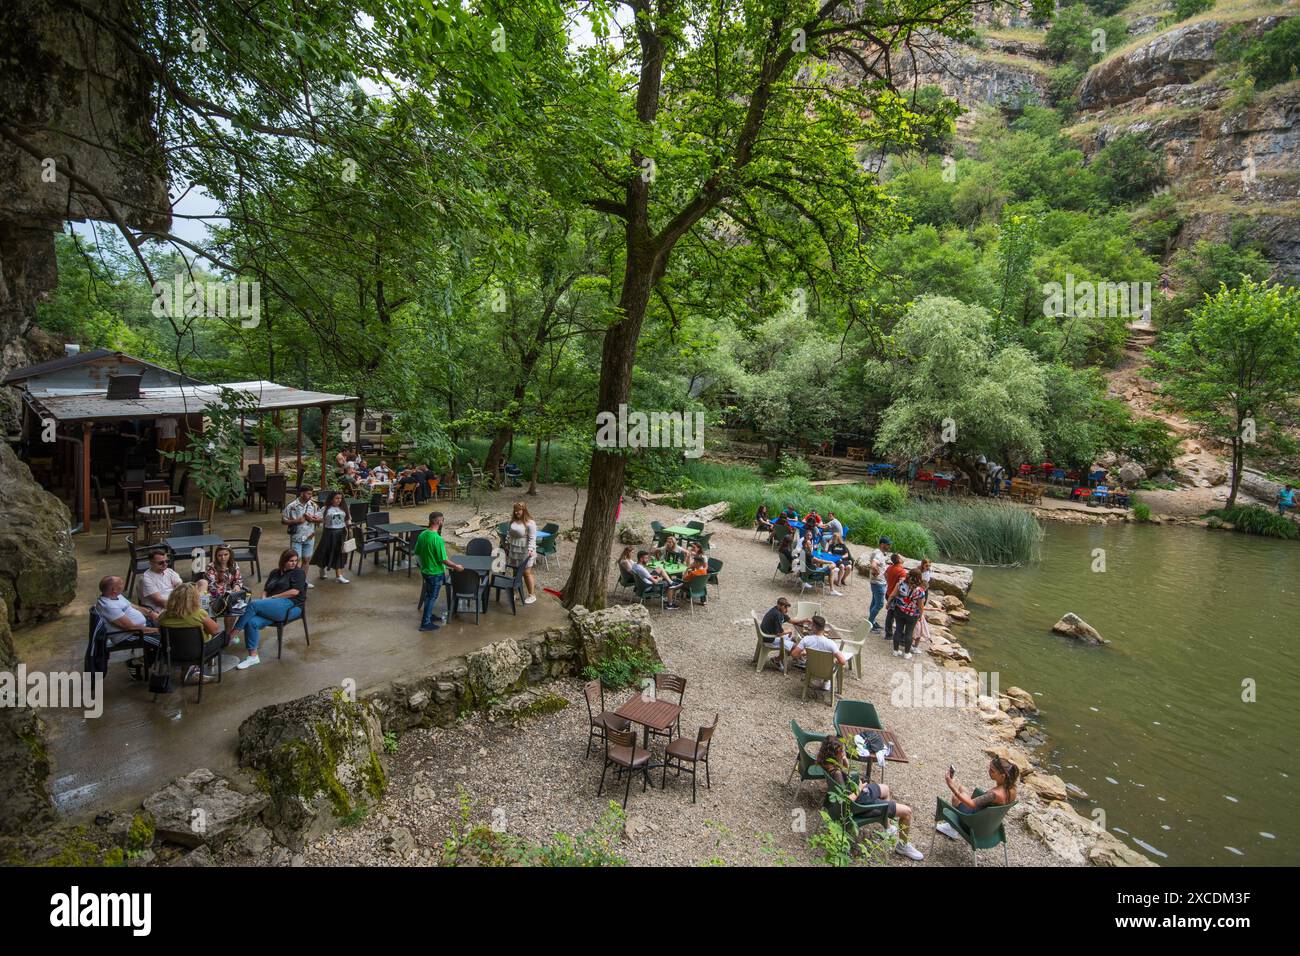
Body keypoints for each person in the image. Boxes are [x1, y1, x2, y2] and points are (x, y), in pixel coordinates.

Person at [817, 735, 923, 861]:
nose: (845, 752)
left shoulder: (828, 764)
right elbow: (845, 801)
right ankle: (902, 846)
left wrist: (844, 759)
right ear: (836, 753)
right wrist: (860, 789)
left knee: (886, 789)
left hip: (859, 795)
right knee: (907, 812)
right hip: (860, 805)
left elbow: (846, 777)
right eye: (843, 751)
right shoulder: (837, 774)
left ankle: (888, 828)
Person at [232, 549, 307, 669]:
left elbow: (295, 592)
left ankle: (233, 634)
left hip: (291, 606)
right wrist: (264, 599)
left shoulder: (298, 573)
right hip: (274, 606)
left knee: (253, 605)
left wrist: (272, 598)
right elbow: (266, 590)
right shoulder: (275, 573)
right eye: (290, 561)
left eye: (295, 560)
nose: (294, 563)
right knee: (252, 622)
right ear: (283, 561)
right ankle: (253, 657)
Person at [936, 755, 1020, 842]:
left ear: (1003, 776)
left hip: (973, 826)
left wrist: (951, 786)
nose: (989, 771)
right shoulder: (1012, 789)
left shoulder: (994, 794)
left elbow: (971, 804)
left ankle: (952, 828)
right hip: (989, 825)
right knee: (962, 788)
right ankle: (952, 827)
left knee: (956, 798)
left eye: (992, 771)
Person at [158, 582, 226, 685]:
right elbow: (215, 630)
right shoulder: (198, 614)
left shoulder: (163, 616)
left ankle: (189, 669)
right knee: (224, 637)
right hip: (198, 652)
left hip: (171, 653)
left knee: (184, 642)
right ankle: (193, 667)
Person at [414, 511, 464, 631]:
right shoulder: (437, 539)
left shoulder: (423, 534)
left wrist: (424, 565)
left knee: (428, 595)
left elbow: (417, 552)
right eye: (442, 520)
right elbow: (444, 560)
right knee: (432, 597)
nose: (443, 522)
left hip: (425, 571)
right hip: (435, 573)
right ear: (438, 521)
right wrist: (456, 566)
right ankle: (425, 623)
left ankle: (429, 615)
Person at [282, 484, 323, 584]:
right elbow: (283, 520)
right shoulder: (292, 506)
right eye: (308, 493)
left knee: (306, 559)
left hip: (310, 536)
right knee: (294, 560)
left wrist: (313, 520)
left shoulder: (313, 505)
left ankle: (302, 581)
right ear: (301, 493)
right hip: (297, 537)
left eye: (311, 494)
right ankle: (292, 581)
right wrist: (296, 521)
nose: (310, 496)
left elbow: (321, 519)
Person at [202, 545, 246, 635]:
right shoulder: (211, 567)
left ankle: (227, 634)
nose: (223, 558)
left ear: (230, 554)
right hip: (213, 596)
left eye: (226, 554)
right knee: (210, 610)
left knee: (233, 610)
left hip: (230, 595)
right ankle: (213, 635)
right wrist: (220, 597)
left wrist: (237, 585)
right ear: (216, 556)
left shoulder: (234, 565)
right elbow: (211, 586)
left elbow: (239, 579)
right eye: (220, 555)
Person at [310, 490, 351, 583]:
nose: (339, 500)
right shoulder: (326, 508)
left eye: (340, 498)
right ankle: (322, 568)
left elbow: (348, 520)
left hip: (341, 532)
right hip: (329, 533)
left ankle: (338, 575)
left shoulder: (344, 508)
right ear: (331, 499)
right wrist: (320, 520)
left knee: (339, 553)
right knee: (325, 551)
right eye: (336, 498)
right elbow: (317, 518)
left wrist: (350, 530)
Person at [888, 568, 927, 659]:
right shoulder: (920, 591)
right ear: (919, 578)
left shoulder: (901, 584)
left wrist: (888, 604)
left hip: (899, 610)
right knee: (909, 633)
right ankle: (906, 653)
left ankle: (895, 651)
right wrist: (921, 615)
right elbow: (920, 605)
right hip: (912, 614)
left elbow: (893, 595)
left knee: (898, 630)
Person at [506, 501, 539, 604]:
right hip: (514, 550)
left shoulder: (530, 523)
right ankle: (515, 592)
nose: (516, 512)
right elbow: (509, 534)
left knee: (526, 573)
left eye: (518, 510)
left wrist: (530, 549)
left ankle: (532, 595)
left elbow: (532, 538)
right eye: (515, 510)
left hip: (525, 551)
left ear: (524, 510)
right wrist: (507, 543)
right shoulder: (513, 521)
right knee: (515, 572)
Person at [867, 536, 892, 632]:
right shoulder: (878, 554)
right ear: (882, 545)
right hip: (878, 583)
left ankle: (871, 622)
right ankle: (870, 625)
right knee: (879, 604)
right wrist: (876, 571)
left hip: (875, 582)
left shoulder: (877, 552)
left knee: (874, 602)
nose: (889, 546)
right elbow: (873, 564)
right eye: (887, 544)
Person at [883, 552, 907, 639]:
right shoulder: (902, 572)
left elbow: (885, 575)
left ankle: (889, 633)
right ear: (899, 560)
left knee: (890, 614)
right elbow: (901, 586)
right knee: (895, 615)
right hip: (895, 596)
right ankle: (893, 635)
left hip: (888, 592)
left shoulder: (890, 567)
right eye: (901, 557)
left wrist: (889, 583)